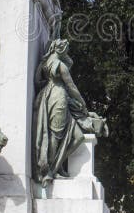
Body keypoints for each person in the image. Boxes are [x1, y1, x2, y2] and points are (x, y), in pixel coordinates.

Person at [32, 39, 107, 185]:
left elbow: (36, 81)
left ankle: (56, 166)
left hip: (48, 96)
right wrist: (83, 104)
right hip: (59, 97)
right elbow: (71, 87)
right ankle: (48, 171)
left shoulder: (45, 62)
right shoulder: (60, 66)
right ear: (60, 50)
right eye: (66, 49)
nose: (68, 52)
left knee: (77, 136)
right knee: (56, 134)